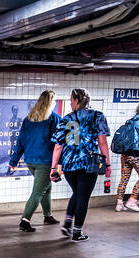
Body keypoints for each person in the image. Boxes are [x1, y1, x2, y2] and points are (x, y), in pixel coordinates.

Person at [50, 88, 111, 241]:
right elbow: (102, 142)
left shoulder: (69, 118)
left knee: (78, 193)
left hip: (69, 165)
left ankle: (68, 222)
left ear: (77, 101)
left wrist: (53, 168)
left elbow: (59, 146)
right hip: (88, 165)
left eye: (71, 101)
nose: (70, 103)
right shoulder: (97, 116)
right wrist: (107, 164)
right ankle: (77, 232)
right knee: (83, 196)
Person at [11, 90, 61, 232]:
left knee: (46, 188)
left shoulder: (29, 119)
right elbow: (59, 143)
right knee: (38, 192)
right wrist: (60, 163)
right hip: (45, 162)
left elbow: (20, 140)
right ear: (52, 103)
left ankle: (48, 216)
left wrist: (14, 160)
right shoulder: (54, 119)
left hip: (30, 161)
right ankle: (24, 221)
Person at [111, 100, 139, 213]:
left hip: (125, 155)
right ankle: (132, 201)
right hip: (135, 155)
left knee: (124, 179)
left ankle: (119, 204)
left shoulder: (130, 121)